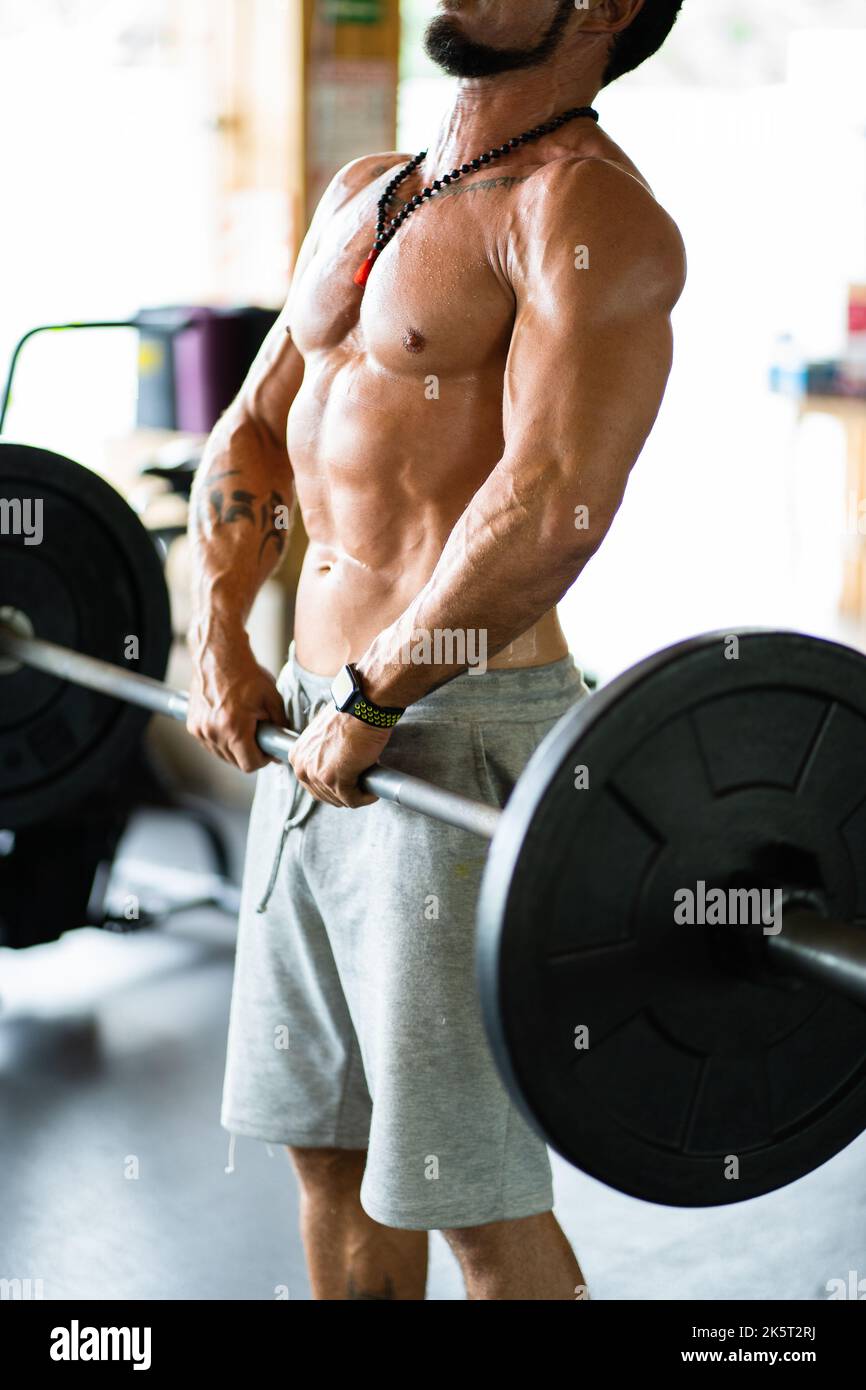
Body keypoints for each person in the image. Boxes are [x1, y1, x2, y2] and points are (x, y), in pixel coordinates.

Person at [188, 0, 686, 1300]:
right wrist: (223, 637)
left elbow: (554, 499)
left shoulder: (586, 215)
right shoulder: (367, 191)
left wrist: (380, 686)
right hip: (309, 724)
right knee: (330, 1163)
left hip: (450, 743)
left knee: (473, 1195)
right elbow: (247, 431)